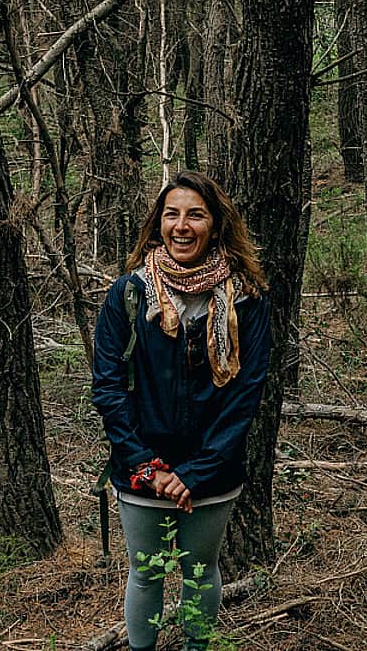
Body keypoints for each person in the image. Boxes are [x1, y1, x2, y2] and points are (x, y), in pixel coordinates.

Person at [91, 171, 270, 651]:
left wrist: (195, 472)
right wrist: (145, 466)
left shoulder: (247, 300)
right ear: (158, 223)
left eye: (195, 214)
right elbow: (108, 389)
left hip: (212, 470)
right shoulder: (128, 295)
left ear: (215, 224)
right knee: (146, 574)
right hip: (142, 469)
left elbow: (245, 395)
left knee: (199, 570)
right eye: (172, 214)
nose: (182, 225)